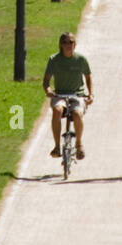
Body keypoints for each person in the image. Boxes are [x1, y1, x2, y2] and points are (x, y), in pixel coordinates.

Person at [42, 32, 93, 161]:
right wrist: (48, 90)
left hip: (77, 94)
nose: (68, 45)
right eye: (65, 42)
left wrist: (91, 94)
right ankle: (57, 146)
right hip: (60, 94)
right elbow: (46, 80)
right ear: (60, 45)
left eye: (70, 42)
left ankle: (79, 144)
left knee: (77, 113)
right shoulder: (54, 60)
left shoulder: (81, 59)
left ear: (75, 44)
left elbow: (88, 77)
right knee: (57, 110)